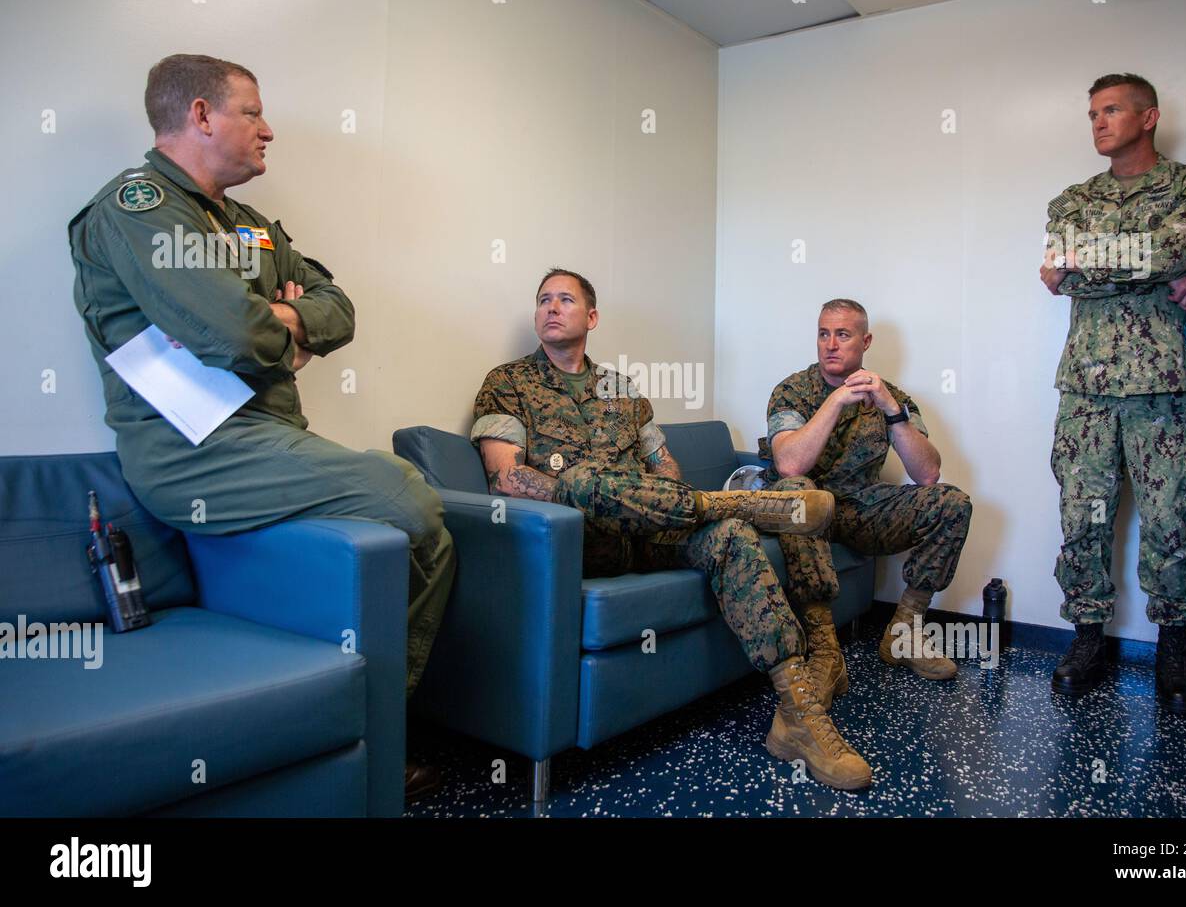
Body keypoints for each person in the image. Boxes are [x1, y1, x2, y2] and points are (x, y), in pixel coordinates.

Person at [68, 54, 455, 798]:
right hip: (193, 454)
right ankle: (380, 739)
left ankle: (375, 730)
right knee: (408, 496)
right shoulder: (138, 208)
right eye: (252, 112)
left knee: (424, 528)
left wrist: (283, 319)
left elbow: (338, 306)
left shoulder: (247, 225)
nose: (268, 129)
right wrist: (276, 325)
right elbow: (233, 335)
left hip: (270, 438)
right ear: (202, 116)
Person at [470, 268, 874, 790]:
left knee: (731, 536)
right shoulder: (508, 383)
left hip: (651, 530)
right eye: (543, 300)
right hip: (580, 537)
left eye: (565, 300)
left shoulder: (622, 389)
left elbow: (664, 467)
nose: (550, 308)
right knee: (589, 478)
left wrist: (657, 502)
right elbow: (506, 476)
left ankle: (797, 711)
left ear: (591, 317)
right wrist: (587, 488)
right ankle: (733, 503)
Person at [1039, 73, 1186, 716]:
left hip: (1169, 389)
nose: (1098, 122)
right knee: (1082, 519)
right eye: (1092, 112)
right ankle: (1087, 638)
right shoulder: (1071, 198)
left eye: (1112, 110)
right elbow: (1057, 273)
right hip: (1089, 389)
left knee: (1172, 519)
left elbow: (1176, 244)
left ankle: (1176, 650)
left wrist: (1174, 260)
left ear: (1149, 117)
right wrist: (1165, 268)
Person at [763, 299, 973, 682]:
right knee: (797, 489)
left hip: (860, 509)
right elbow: (789, 464)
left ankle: (904, 632)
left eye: (842, 335)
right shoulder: (792, 390)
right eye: (823, 334)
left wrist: (893, 412)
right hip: (807, 513)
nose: (831, 344)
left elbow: (928, 474)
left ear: (866, 341)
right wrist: (836, 399)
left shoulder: (890, 395)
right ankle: (826, 653)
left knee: (952, 502)